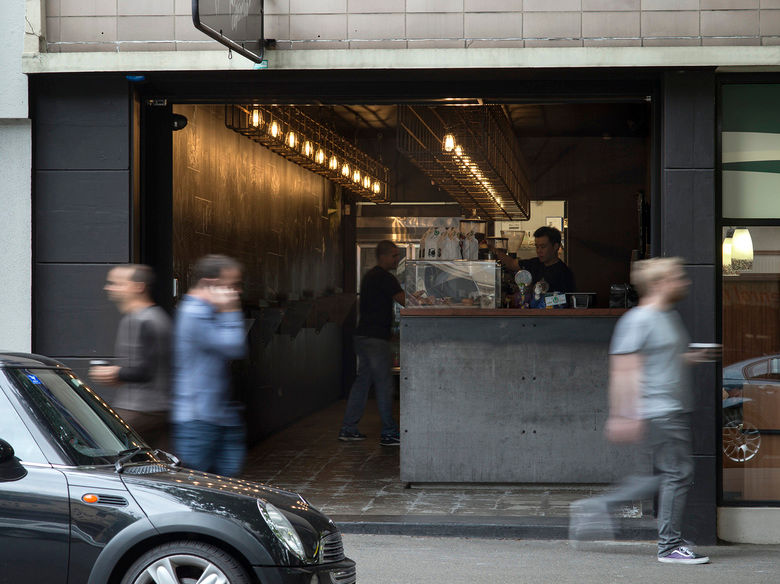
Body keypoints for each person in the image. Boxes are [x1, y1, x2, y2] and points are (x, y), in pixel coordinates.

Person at [569, 257, 719, 564]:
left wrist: (694, 356)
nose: (685, 282)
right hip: (657, 409)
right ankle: (669, 545)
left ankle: (599, 508)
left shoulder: (668, 317)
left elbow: (667, 358)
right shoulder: (639, 319)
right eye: (678, 277)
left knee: (672, 473)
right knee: (678, 473)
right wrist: (622, 413)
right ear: (660, 284)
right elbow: (624, 368)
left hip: (671, 408)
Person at [171, 254, 247, 476]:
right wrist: (231, 310)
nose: (237, 292)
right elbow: (234, 345)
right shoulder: (194, 313)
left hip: (216, 416)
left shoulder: (205, 312)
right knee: (201, 488)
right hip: (199, 419)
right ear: (211, 284)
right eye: (232, 285)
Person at [89, 264, 171, 450]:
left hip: (140, 409)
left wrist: (115, 373)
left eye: (116, 283)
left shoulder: (142, 320)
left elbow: (145, 370)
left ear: (138, 287)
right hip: (156, 408)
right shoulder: (154, 317)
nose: (108, 287)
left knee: (102, 444)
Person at [339, 240, 405, 447]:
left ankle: (348, 429)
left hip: (363, 336)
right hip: (375, 339)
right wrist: (424, 301)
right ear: (383, 256)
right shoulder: (385, 278)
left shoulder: (370, 276)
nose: (397, 259)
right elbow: (405, 300)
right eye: (394, 256)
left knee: (362, 383)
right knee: (384, 385)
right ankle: (389, 432)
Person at [493, 226, 575, 294]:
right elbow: (511, 263)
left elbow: (563, 304)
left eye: (543, 247)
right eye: (537, 246)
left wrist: (532, 290)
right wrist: (493, 250)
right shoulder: (534, 263)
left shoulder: (564, 273)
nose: (539, 250)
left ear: (555, 246)